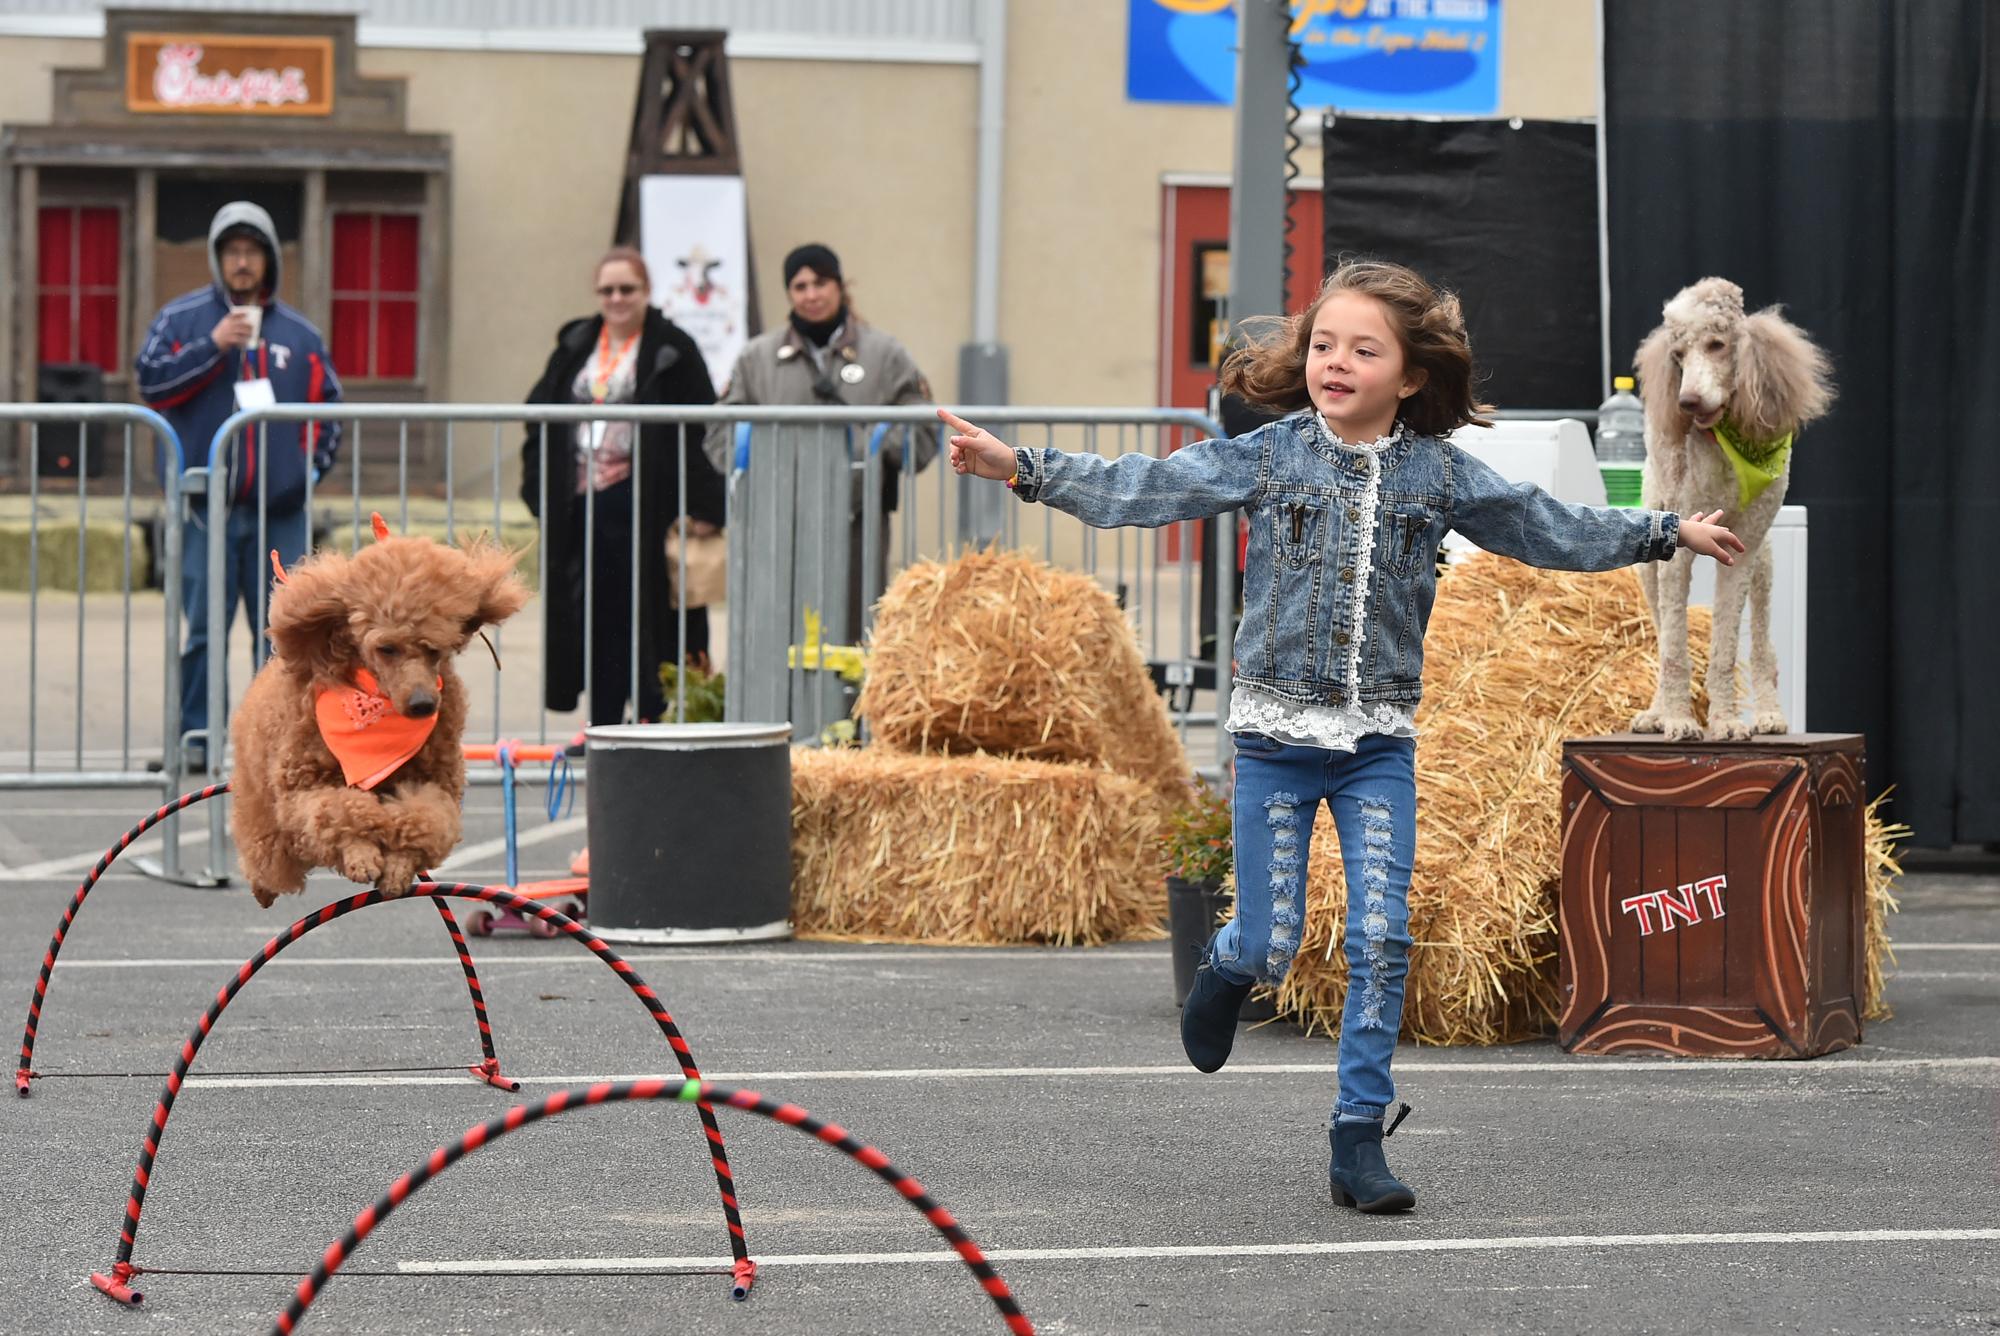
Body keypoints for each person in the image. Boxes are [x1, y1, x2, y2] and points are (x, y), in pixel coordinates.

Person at [939, 260, 1744, 1214]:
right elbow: (1147, 486)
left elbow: (1545, 526)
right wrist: (1022, 467)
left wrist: (1665, 532)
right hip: (1277, 739)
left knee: (1380, 934)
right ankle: (1229, 964)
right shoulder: (1270, 454)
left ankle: (1357, 1139)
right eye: (1324, 344)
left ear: (1408, 376)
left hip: (1376, 746)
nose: (1336, 361)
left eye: (1364, 349)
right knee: (1277, 941)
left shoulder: (1438, 472)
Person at [136, 200, 343, 772]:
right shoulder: (182, 321)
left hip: (280, 511)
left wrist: (306, 474)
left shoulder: (299, 335)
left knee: (282, 635)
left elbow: (330, 409)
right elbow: (151, 383)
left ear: (270, 260)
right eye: (233, 251)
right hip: (208, 509)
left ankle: (277, 743)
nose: (243, 262)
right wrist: (215, 346)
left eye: (253, 252)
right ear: (218, 259)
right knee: (203, 629)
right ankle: (197, 740)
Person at [522, 246, 726, 725]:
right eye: (607, 290)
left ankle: (653, 720)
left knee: (651, 619)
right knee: (592, 619)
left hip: (647, 505)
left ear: (646, 292)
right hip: (580, 506)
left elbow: (701, 431)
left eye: (627, 289)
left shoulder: (673, 348)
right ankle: (604, 724)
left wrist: (703, 506)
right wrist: (537, 489)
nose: (617, 298)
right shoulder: (576, 343)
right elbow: (539, 415)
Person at [704, 242, 935, 642]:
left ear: (840, 286)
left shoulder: (884, 354)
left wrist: (875, 449)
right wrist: (760, 464)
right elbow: (721, 431)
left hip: (857, 522)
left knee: (853, 633)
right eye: (800, 285)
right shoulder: (757, 359)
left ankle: (849, 708)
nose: (811, 294)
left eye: (821, 282)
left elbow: (922, 426)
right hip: (777, 524)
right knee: (778, 635)